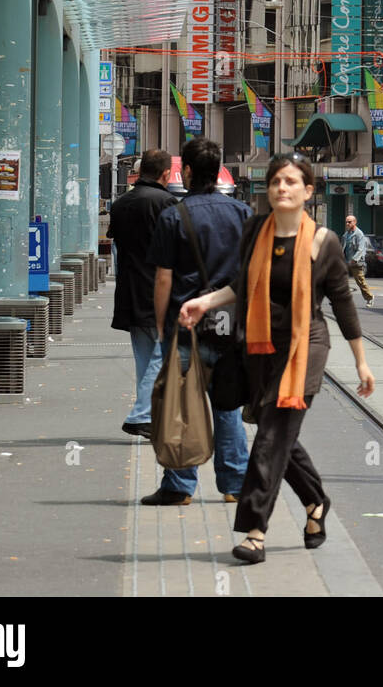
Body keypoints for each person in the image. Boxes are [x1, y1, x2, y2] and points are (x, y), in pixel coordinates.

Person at [179, 153, 375, 562]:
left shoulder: (324, 242)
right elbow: (241, 284)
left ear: (308, 191)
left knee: (269, 436)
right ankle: (315, 501)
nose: (281, 188)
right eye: (275, 182)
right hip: (260, 346)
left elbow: (342, 302)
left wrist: (361, 361)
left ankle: (254, 530)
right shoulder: (255, 230)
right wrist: (204, 302)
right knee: (279, 433)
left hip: (306, 348)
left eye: (290, 182)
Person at [141, 138, 253, 507]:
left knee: (181, 406)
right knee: (227, 407)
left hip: (186, 327)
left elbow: (163, 278)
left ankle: (179, 484)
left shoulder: (174, 215)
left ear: (185, 171)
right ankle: (235, 484)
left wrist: (162, 326)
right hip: (231, 326)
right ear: (218, 170)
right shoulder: (241, 213)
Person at [107, 149, 176, 437]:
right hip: (158, 291)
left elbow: (117, 249)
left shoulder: (121, 204)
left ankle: (150, 419)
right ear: (165, 174)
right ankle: (141, 414)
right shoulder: (167, 203)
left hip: (129, 292)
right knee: (166, 354)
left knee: (145, 360)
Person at [342, 215, 376, 308]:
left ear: (355, 222)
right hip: (346, 261)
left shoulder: (359, 234)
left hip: (355, 262)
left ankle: (369, 298)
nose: (347, 224)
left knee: (360, 281)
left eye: (349, 222)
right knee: (340, 280)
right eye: (346, 222)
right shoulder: (346, 234)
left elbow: (361, 249)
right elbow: (343, 248)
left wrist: (354, 259)